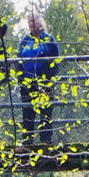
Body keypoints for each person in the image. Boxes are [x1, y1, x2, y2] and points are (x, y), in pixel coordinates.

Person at [17, 11, 60, 146]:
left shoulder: (48, 39)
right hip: (28, 82)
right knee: (28, 112)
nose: (31, 24)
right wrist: (21, 79)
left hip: (45, 83)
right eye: (29, 21)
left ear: (40, 22)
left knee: (45, 111)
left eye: (34, 20)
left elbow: (56, 60)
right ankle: (27, 142)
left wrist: (49, 76)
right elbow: (18, 60)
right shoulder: (25, 40)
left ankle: (45, 141)